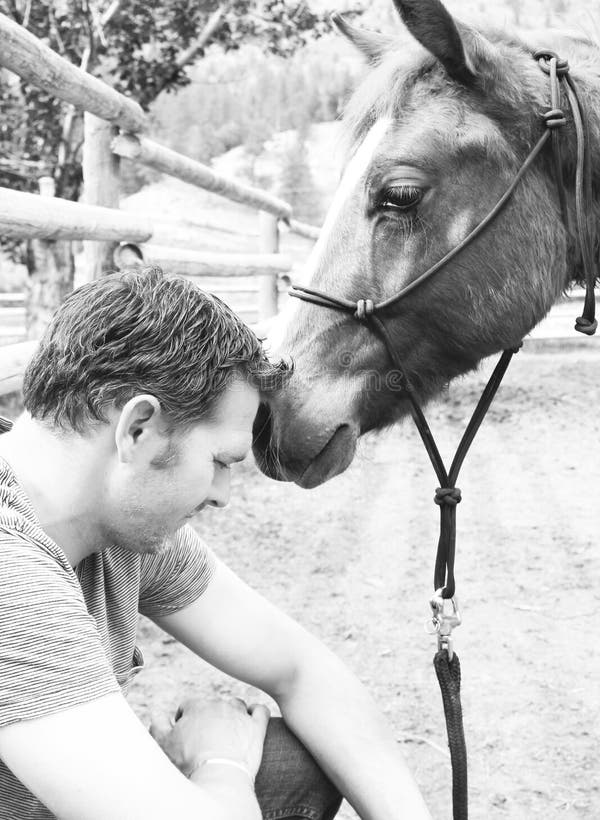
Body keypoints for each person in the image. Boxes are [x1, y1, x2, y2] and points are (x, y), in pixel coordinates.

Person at [0, 267, 433, 820]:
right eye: (221, 462)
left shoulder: (117, 521)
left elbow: (301, 669)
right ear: (137, 429)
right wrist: (220, 766)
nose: (224, 494)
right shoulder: (10, 569)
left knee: (293, 762)